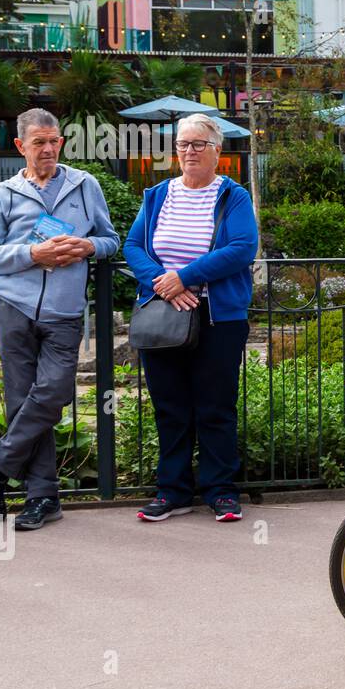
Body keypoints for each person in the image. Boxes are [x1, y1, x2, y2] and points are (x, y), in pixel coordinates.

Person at [0, 108, 120, 530]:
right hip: (14, 307)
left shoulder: (85, 185)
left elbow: (111, 239)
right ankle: (43, 497)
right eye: (39, 142)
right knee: (21, 404)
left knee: (52, 393)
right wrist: (33, 254)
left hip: (65, 312)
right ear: (20, 147)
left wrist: (87, 246)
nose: (49, 149)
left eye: (54, 141)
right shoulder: (3, 193)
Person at [123, 113, 258, 522]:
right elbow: (133, 246)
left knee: (216, 406)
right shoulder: (157, 195)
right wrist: (164, 285)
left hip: (218, 318)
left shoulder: (232, 196)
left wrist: (185, 276)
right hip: (165, 314)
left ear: (218, 150)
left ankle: (221, 491)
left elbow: (241, 247)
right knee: (170, 406)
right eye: (183, 143)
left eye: (199, 143)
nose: (189, 150)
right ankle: (173, 491)